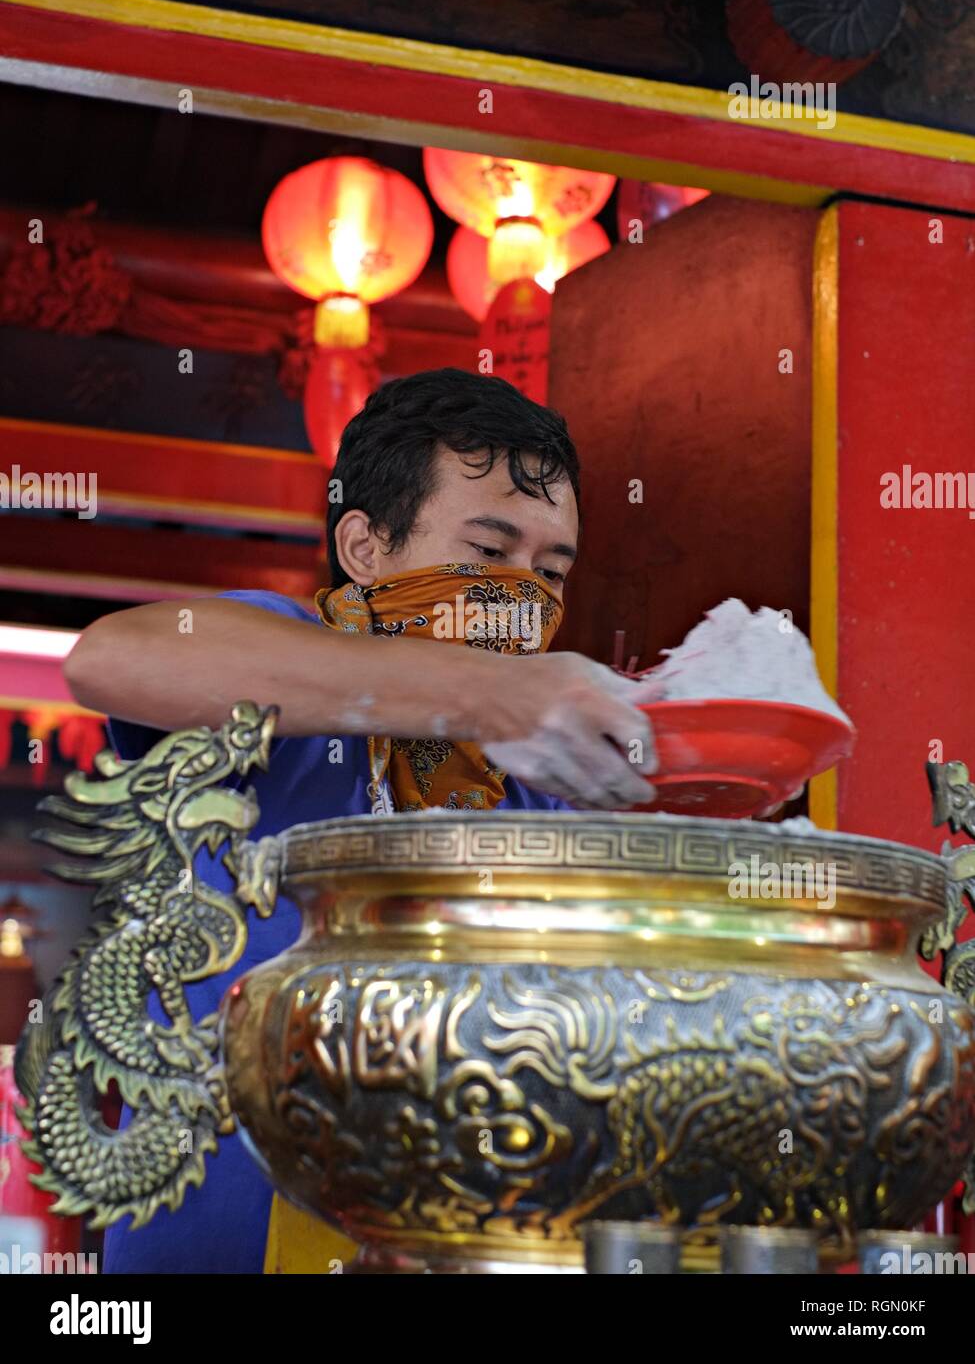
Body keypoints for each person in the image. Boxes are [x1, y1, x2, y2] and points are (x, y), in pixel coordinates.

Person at [64, 367, 658, 1272]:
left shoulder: (536, 779)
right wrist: (479, 690)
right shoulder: (287, 692)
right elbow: (111, 658)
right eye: (487, 552)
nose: (520, 599)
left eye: (549, 573)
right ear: (366, 546)